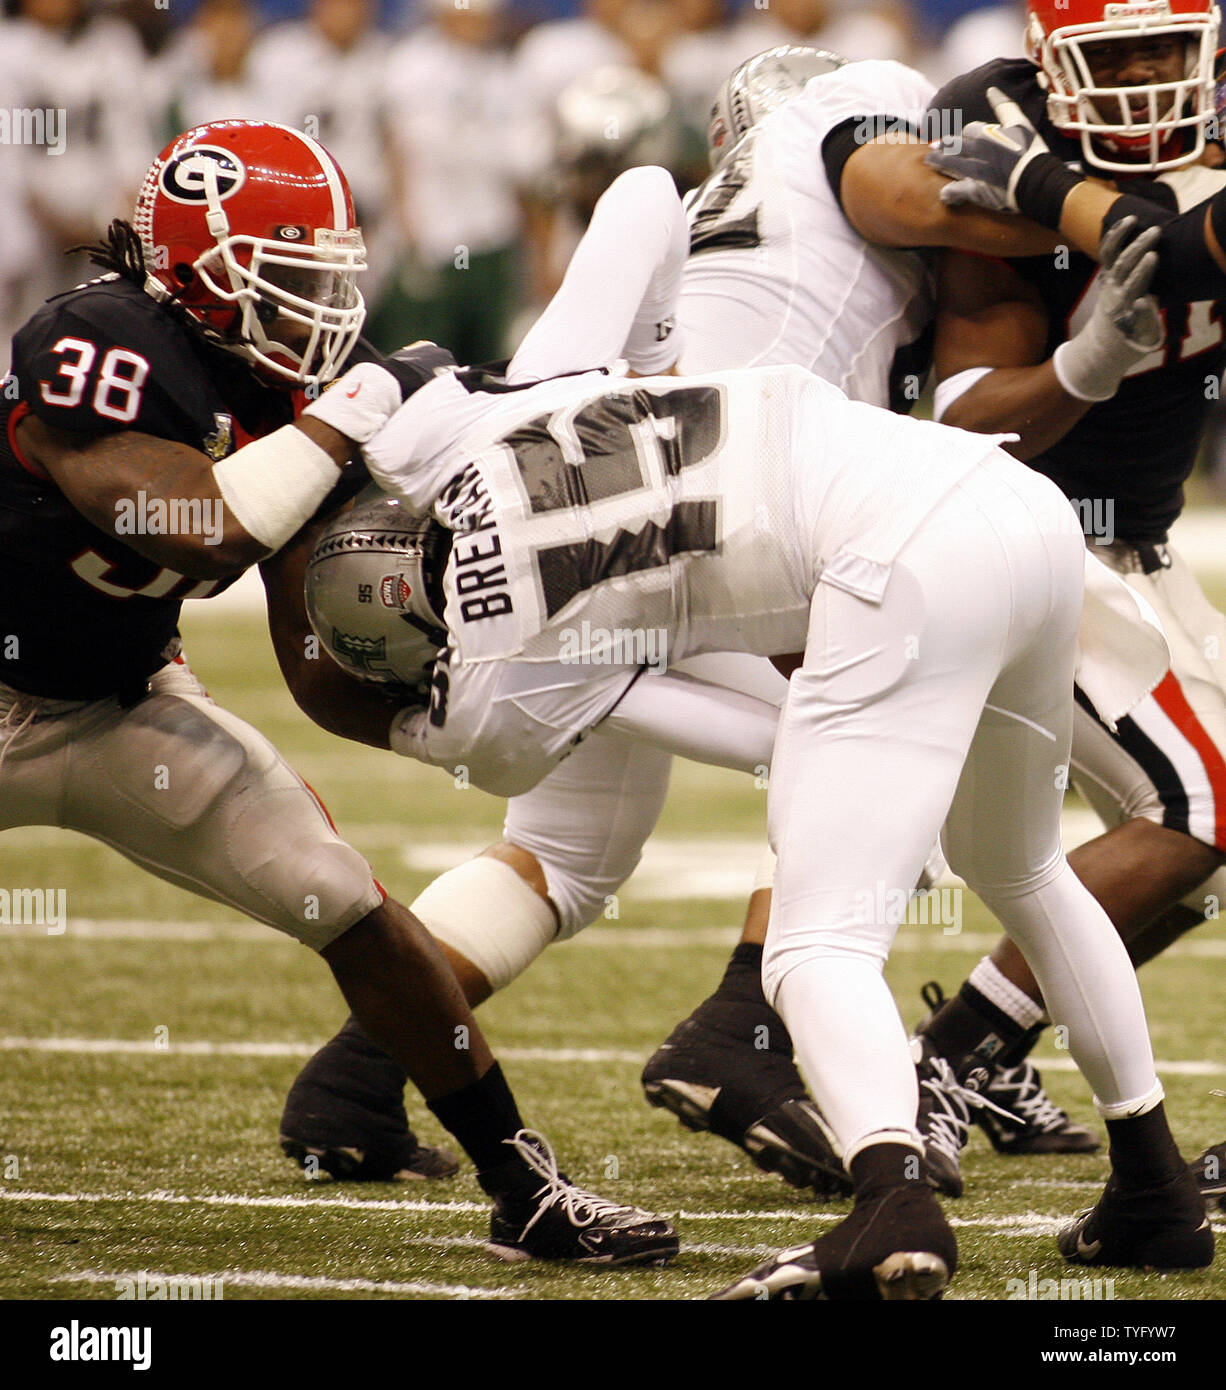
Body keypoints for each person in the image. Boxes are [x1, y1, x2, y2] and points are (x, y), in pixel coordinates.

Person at [266, 210, 1212, 1296]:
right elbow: (636, 200)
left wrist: (397, 713)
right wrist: (641, 364)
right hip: (1004, 504)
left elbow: (741, 732)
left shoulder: (495, 682)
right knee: (1027, 869)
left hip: (893, 563)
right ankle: (1151, 1184)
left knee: (812, 946)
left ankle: (889, 1204)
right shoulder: (527, 388)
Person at [0, 118, 678, 1269]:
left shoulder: (292, 394)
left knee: (348, 904)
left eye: (328, 271)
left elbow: (301, 647)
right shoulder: (95, 336)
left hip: (122, 704)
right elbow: (191, 524)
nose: (318, 302)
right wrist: (348, 412)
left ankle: (521, 1185)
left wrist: (433, 726)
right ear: (199, 270)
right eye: (287, 272)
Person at [892, 0, 1226, 1198]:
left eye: (1163, 52)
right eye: (1112, 55)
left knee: (1208, 842)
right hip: (1020, 537)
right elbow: (961, 417)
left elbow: (1180, 251)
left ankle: (980, 1048)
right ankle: (938, 1061)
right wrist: (1078, 372)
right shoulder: (993, 120)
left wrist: (1065, 198)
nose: (1142, 79)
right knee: (1197, 803)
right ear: (1050, 66)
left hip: (1141, 545)